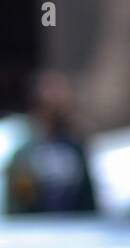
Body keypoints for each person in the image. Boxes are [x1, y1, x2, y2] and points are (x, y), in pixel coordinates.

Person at [5, 70, 96, 214]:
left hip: (75, 230)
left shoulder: (75, 149)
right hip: (36, 231)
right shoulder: (24, 154)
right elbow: (19, 203)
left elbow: (88, 199)